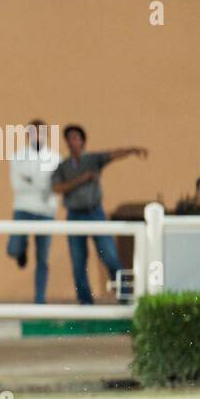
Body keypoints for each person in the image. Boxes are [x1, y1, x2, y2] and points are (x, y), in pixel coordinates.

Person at [50, 125, 148, 304]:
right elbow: (56, 188)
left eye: (76, 138)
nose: (73, 142)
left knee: (110, 256)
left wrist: (133, 150)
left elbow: (113, 154)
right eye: (70, 138)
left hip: (95, 212)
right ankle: (85, 301)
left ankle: (125, 296)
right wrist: (82, 179)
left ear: (82, 141)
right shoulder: (63, 166)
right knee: (78, 261)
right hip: (75, 215)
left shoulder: (93, 159)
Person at [6, 120, 59, 305]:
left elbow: (54, 187)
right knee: (13, 249)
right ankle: (22, 250)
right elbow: (17, 185)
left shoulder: (54, 158)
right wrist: (41, 184)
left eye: (41, 132)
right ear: (28, 135)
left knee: (43, 259)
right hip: (23, 208)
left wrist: (31, 181)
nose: (38, 136)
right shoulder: (18, 157)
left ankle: (40, 300)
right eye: (34, 132)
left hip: (46, 212)